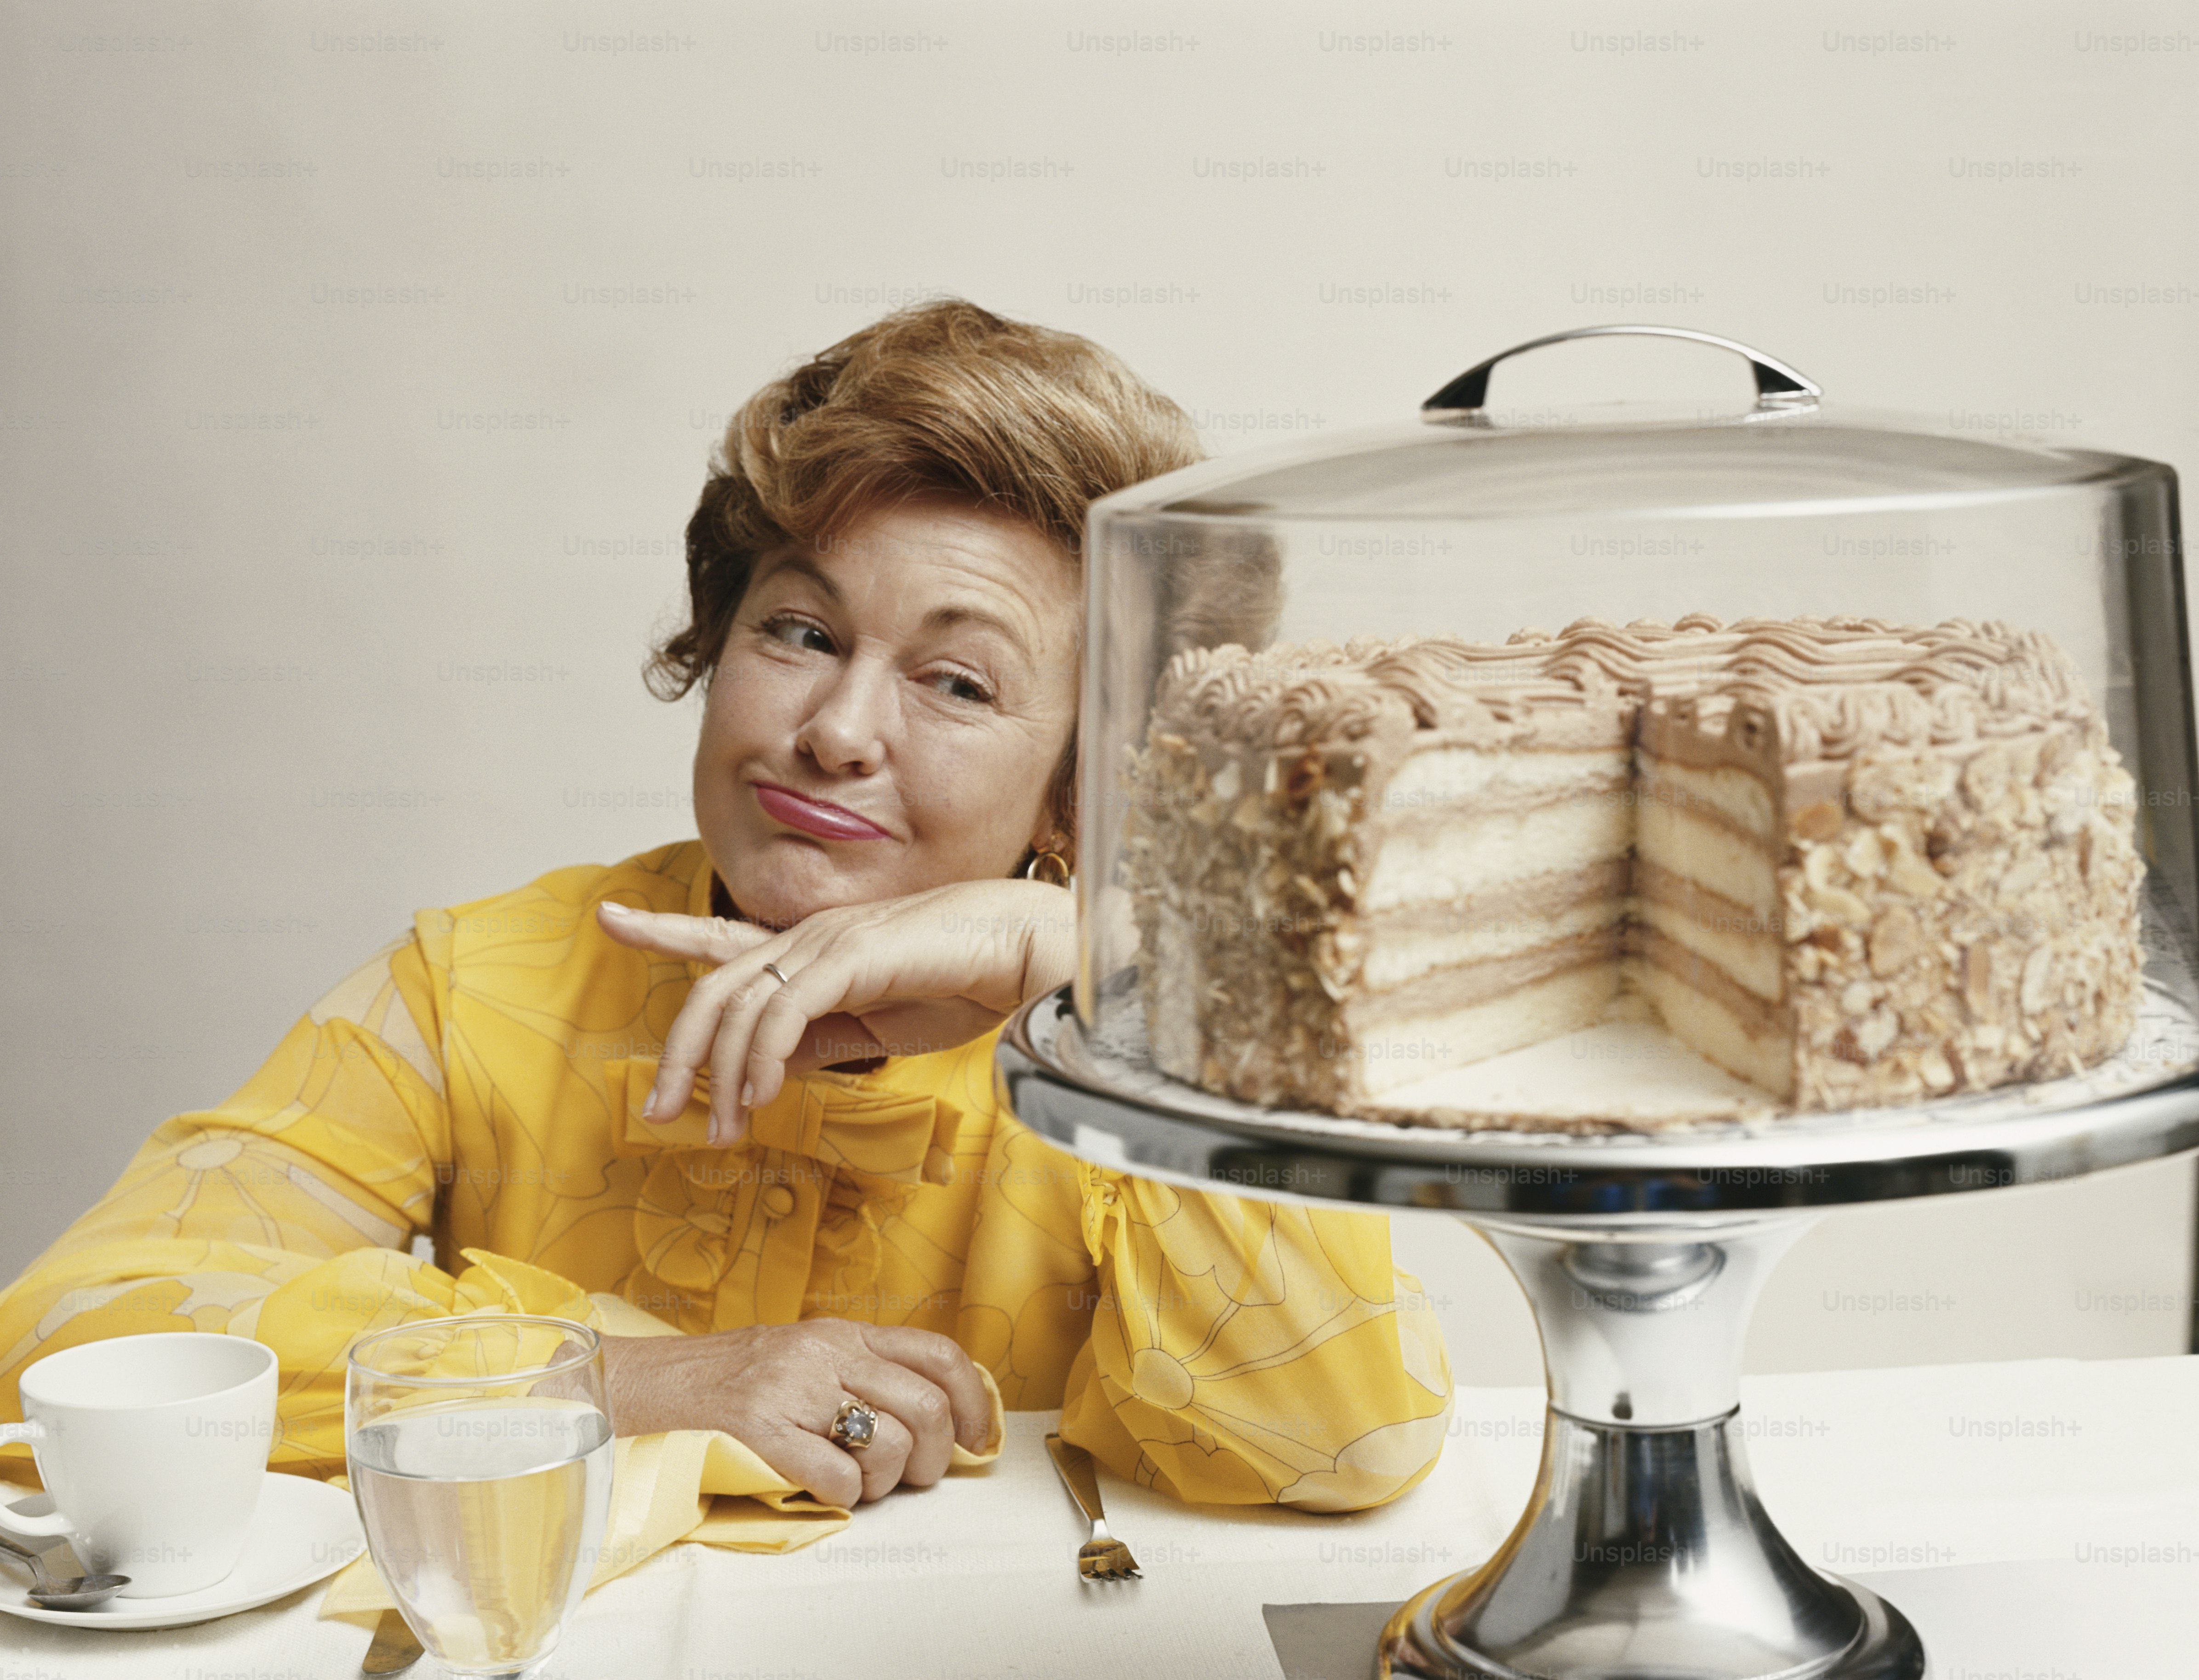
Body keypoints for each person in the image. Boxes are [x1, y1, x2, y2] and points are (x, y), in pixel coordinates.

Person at [0, 300, 1451, 1517]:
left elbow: (1343, 1442)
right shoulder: (476, 982)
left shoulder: (1148, 1028)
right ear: (718, 641)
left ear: (1081, 793)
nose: (835, 730)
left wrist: (1103, 979)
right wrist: (628, 1385)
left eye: (958, 681)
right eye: (801, 631)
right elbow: (74, 1336)